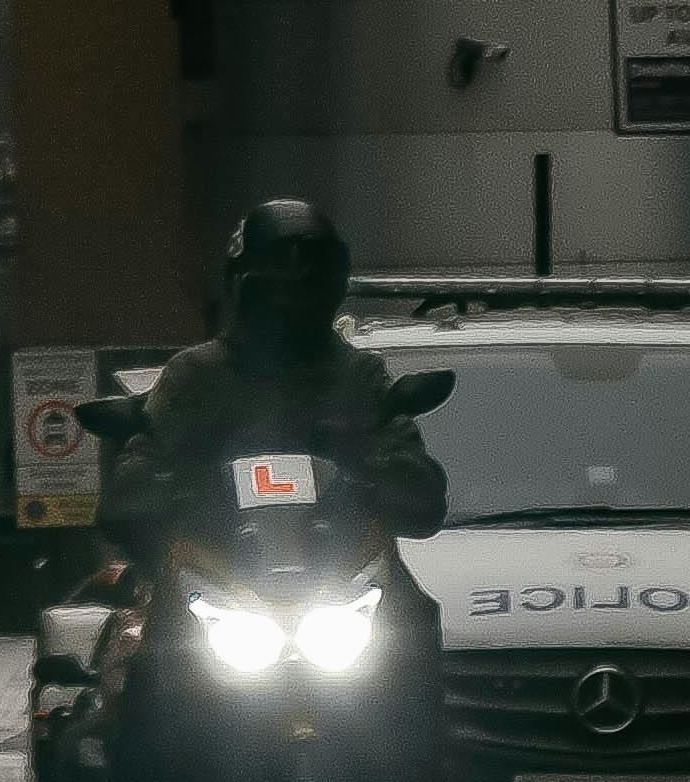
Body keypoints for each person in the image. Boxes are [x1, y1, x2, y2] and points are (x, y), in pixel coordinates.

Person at [99, 198, 447, 554]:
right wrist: (160, 482)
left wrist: (377, 470)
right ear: (241, 290)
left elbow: (420, 491)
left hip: (339, 567)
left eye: (309, 288)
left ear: (332, 290)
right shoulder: (193, 376)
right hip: (216, 565)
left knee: (412, 606)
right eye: (274, 289)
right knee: (148, 602)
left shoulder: (358, 375)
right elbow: (136, 478)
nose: (292, 304)